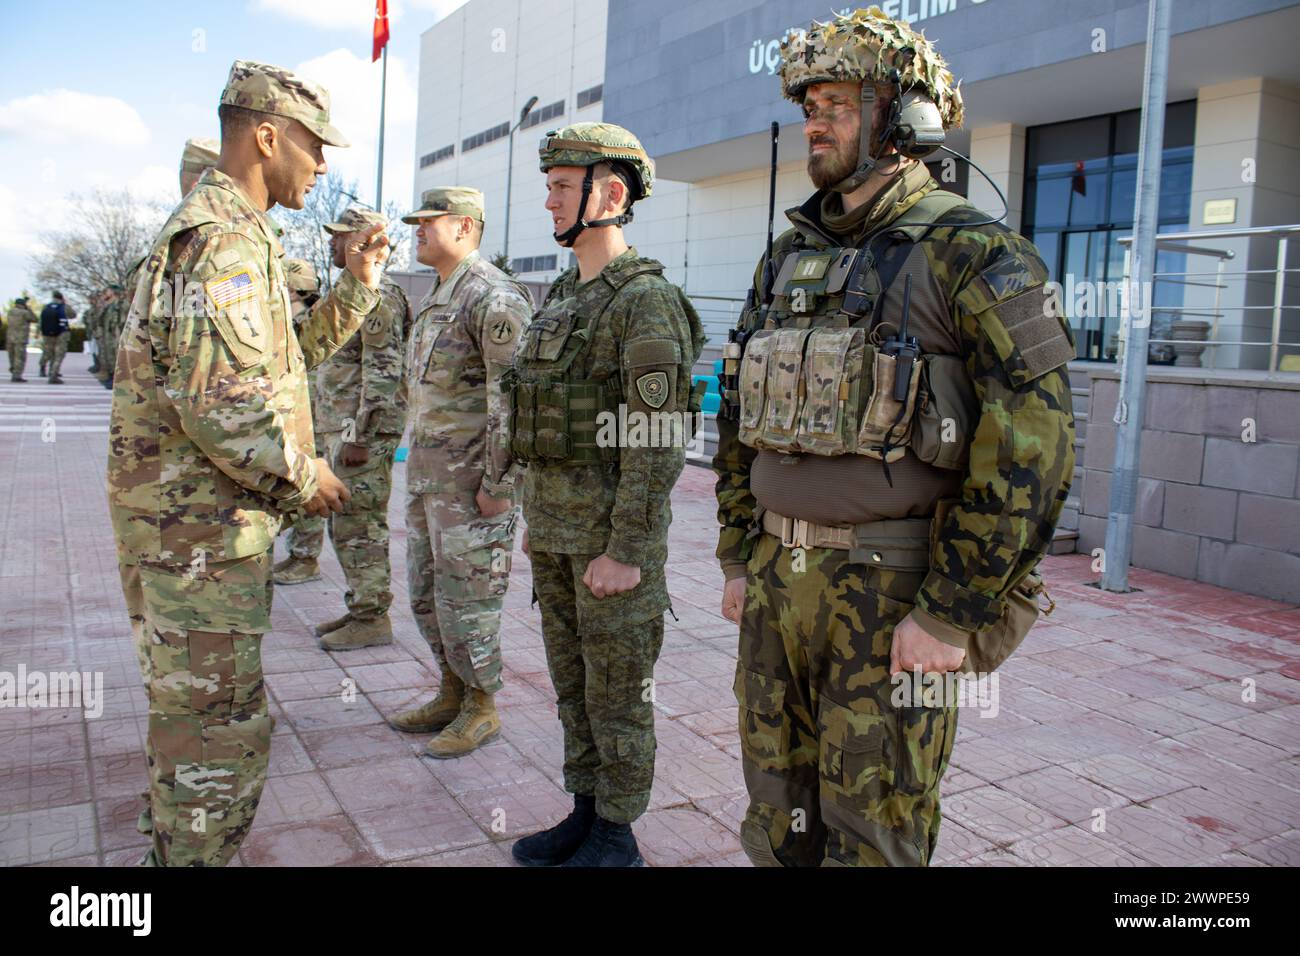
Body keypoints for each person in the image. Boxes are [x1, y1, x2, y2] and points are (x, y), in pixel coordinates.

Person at [713, 7, 1077, 867]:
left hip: (890, 596)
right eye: (809, 102)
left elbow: (1034, 449)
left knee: (875, 829)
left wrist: (951, 615)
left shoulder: (977, 252)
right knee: (777, 815)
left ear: (904, 118)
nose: (814, 120)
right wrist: (739, 553)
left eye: (837, 102)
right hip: (775, 586)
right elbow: (736, 416)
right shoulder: (785, 258)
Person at [107, 59, 389, 867]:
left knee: (196, 722)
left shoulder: (240, 234)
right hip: (196, 534)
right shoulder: (223, 238)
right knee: (217, 740)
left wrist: (356, 287)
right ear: (266, 137)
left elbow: (277, 365)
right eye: (313, 144)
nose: (324, 164)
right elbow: (222, 407)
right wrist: (310, 474)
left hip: (195, 531)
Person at [507, 123, 706, 866]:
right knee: (573, 686)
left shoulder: (644, 302)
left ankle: (618, 835)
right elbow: (537, 411)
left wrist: (626, 549)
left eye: (562, 187)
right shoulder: (564, 294)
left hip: (608, 549)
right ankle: (586, 809)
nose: (550, 202)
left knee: (618, 694)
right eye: (551, 187)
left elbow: (654, 445)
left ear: (610, 193)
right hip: (556, 535)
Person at [386, 187, 531, 758]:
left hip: (473, 486)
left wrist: (500, 484)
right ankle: (451, 690)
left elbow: (513, 397)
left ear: (466, 227)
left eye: (430, 221)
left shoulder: (492, 295)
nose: (418, 229)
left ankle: (482, 707)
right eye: (416, 221)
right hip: (429, 480)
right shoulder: (438, 294)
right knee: (426, 592)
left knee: (469, 598)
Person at [277, 210, 414, 652]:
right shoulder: (347, 291)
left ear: (366, 241)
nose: (334, 245)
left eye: (342, 238)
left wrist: (361, 437)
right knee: (346, 525)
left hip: (362, 435)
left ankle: (372, 617)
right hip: (341, 430)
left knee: (361, 526)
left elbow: (384, 372)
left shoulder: (380, 296)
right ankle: (361, 607)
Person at [39, 291, 76, 383]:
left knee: (48, 353)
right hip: (62, 334)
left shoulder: (46, 307)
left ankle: (42, 368)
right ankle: (53, 375)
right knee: (59, 355)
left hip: (47, 335)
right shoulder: (64, 307)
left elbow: (41, 321)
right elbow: (73, 315)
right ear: (61, 298)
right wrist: (66, 304)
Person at [6, 296, 38, 382]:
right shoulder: (24, 312)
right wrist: (29, 309)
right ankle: (16, 376)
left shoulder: (10, 311)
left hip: (10, 338)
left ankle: (13, 370)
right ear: (23, 305)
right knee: (20, 357)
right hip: (20, 338)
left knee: (12, 357)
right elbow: (35, 319)